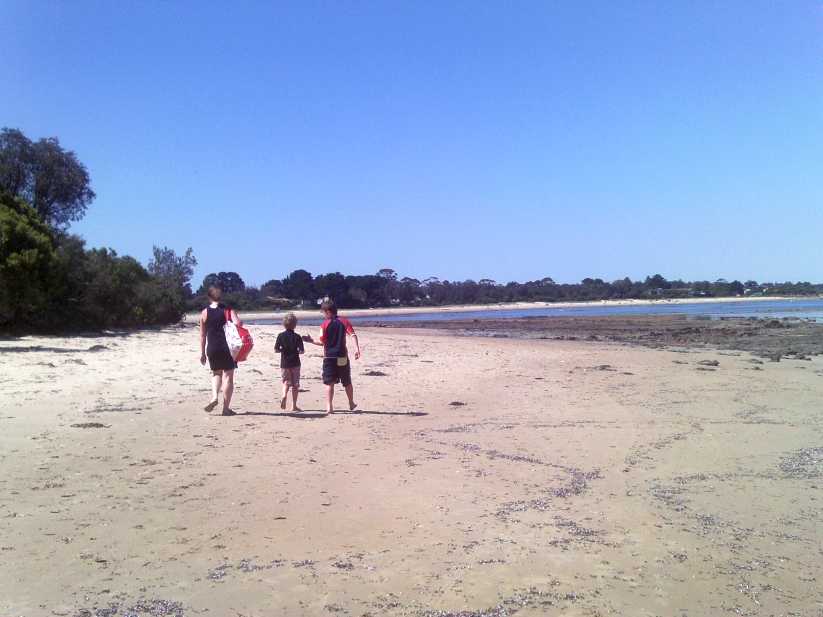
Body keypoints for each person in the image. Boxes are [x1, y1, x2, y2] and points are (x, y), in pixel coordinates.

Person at [305, 299, 361, 413]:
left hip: (329, 357)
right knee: (347, 381)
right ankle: (351, 402)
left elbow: (323, 343)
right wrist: (357, 349)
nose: (323, 315)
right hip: (342, 357)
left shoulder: (324, 325)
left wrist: (311, 341)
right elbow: (353, 335)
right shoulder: (344, 321)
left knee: (329, 382)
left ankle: (329, 406)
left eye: (323, 313)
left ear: (328, 312)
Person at [199, 286, 242, 416]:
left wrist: (202, 353)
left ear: (209, 297)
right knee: (228, 376)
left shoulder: (204, 312)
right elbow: (238, 324)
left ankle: (214, 397)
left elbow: (202, 335)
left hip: (212, 347)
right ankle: (226, 409)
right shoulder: (227, 310)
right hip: (228, 348)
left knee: (216, 373)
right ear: (220, 296)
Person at [274, 312, 304, 412]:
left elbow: (276, 349)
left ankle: (284, 395)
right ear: (295, 324)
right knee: (295, 384)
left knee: (286, 382)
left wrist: (282, 350)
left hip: (284, 362)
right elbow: (302, 351)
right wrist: (297, 351)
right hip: (295, 362)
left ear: (284, 324)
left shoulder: (280, 336)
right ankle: (294, 405)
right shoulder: (297, 337)